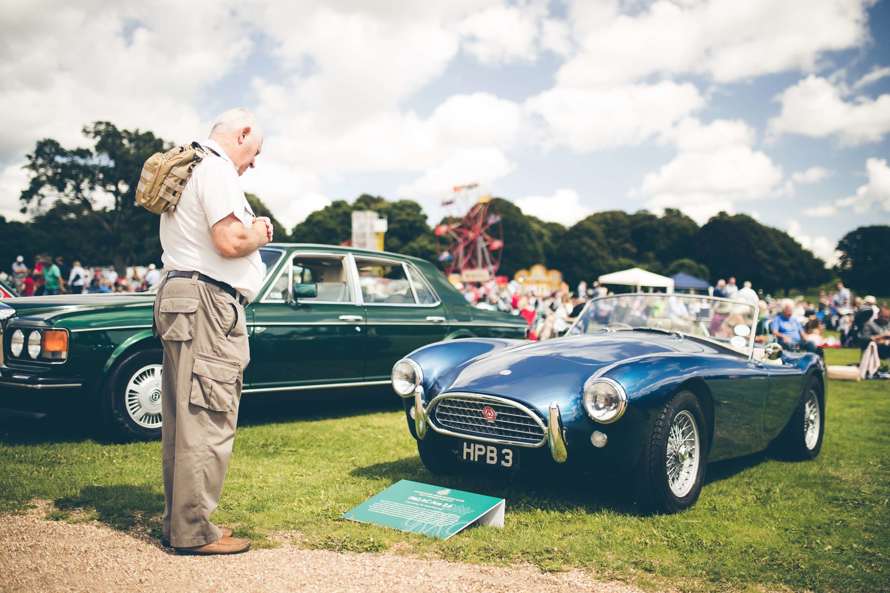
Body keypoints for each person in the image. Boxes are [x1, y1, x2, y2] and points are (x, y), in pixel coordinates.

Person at [154, 108, 271, 556]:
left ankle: (179, 523)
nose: (254, 162)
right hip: (208, 301)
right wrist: (259, 230)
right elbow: (230, 241)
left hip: (182, 295)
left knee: (185, 419)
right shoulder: (218, 169)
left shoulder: (192, 168)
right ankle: (194, 532)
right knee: (208, 417)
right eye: (255, 150)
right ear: (241, 134)